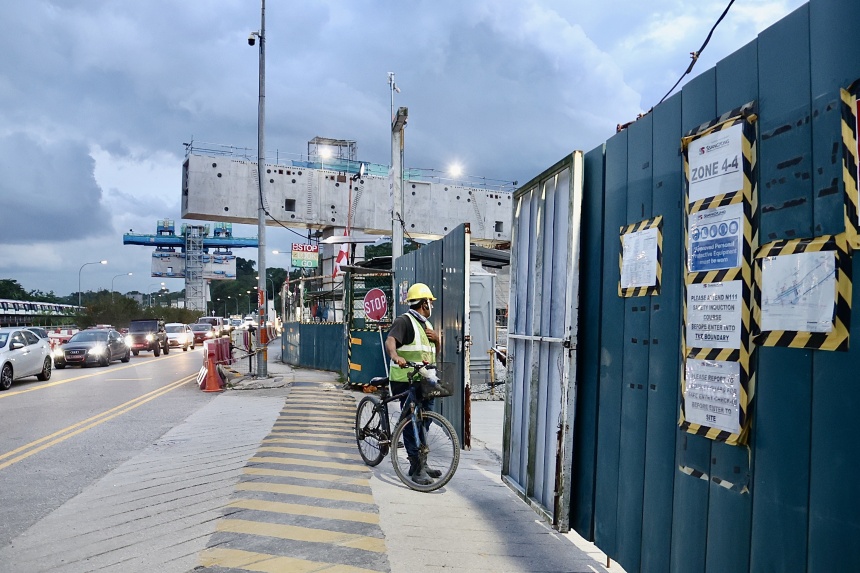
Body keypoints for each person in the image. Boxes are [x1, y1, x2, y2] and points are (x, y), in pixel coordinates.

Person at [385, 282, 442, 485]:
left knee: (425, 421)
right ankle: (416, 467)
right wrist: (395, 356)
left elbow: (433, 355)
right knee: (412, 423)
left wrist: (438, 340)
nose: (431, 306)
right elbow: (390, 341)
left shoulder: (427, 326)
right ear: (424, 303)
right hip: (406, 379)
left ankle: (421, 463)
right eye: (430, 302)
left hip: (425, 380)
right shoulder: (404, 321)